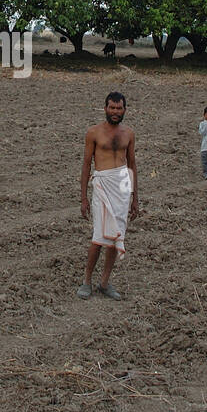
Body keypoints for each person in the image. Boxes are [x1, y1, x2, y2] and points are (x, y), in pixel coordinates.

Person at [78, 92, 138, 300]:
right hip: (102, 187)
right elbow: (86, 165)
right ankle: (87, 280)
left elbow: (131, 165)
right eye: (111, 108)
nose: (115, 112)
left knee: (116, 237)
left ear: (124, 110)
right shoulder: (93, 133)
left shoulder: (128, 133)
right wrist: (83, 197)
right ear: (105, 108)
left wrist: (135, 198)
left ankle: (104, 282)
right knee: (98, 237)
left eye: (119, 108)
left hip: (121, 189)